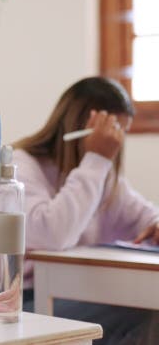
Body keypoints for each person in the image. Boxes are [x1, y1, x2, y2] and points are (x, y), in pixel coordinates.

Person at [13, 77, 159, 344]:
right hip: (29, 300)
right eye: (111, 133)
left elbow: (145, 215)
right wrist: (97, 159)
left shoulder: (104, 179)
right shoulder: (22, 166)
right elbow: (53, 235)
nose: (116, 143)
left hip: (85, 294)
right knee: (147, 311)